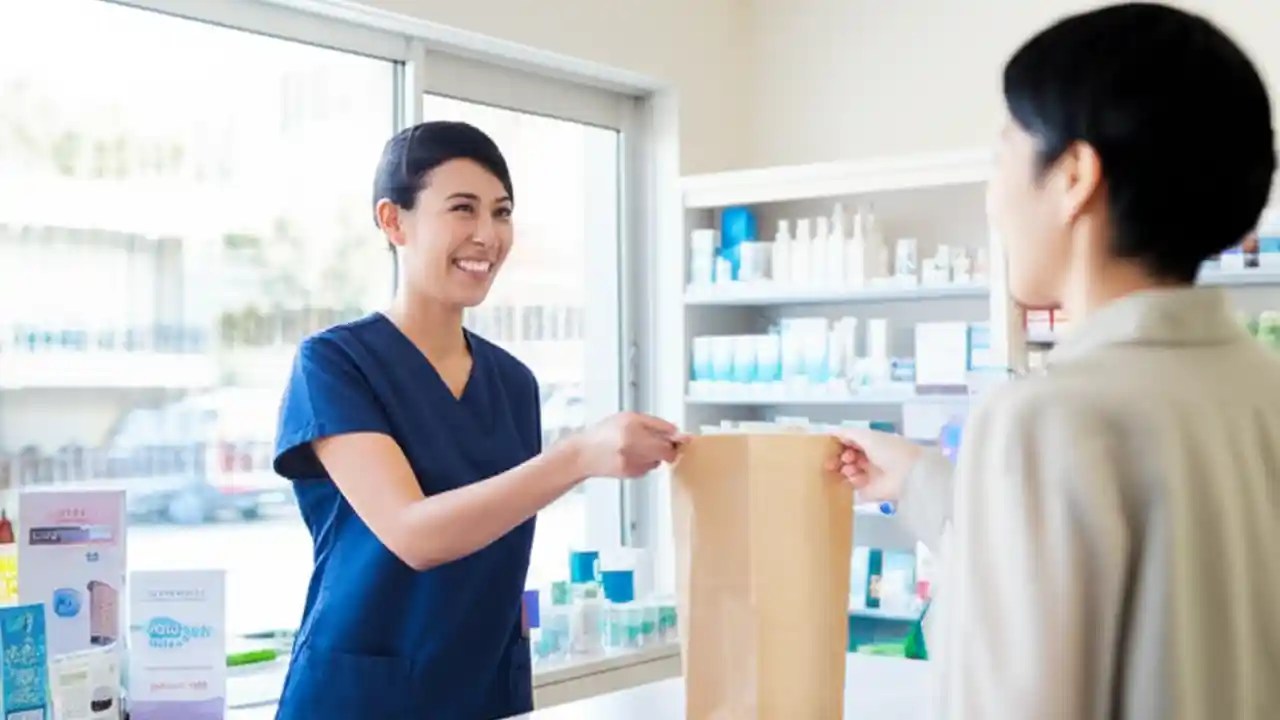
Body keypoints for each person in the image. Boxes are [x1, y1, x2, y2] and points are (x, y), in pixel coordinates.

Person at [834, 5, 1280, 719]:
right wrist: (923, 479)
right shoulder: (1261, 390)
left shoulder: (1044, 416)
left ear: (1074, 175)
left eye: (1002, 153)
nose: (993, 195)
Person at [271, 121, 683, 719]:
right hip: (360, 696)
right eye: (462, 209)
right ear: (393, 221)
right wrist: (578, 457)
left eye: (502, 212)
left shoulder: (512, 384)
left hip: (485, 691)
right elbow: (416, 535)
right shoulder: (336, 363)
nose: (487, 236)